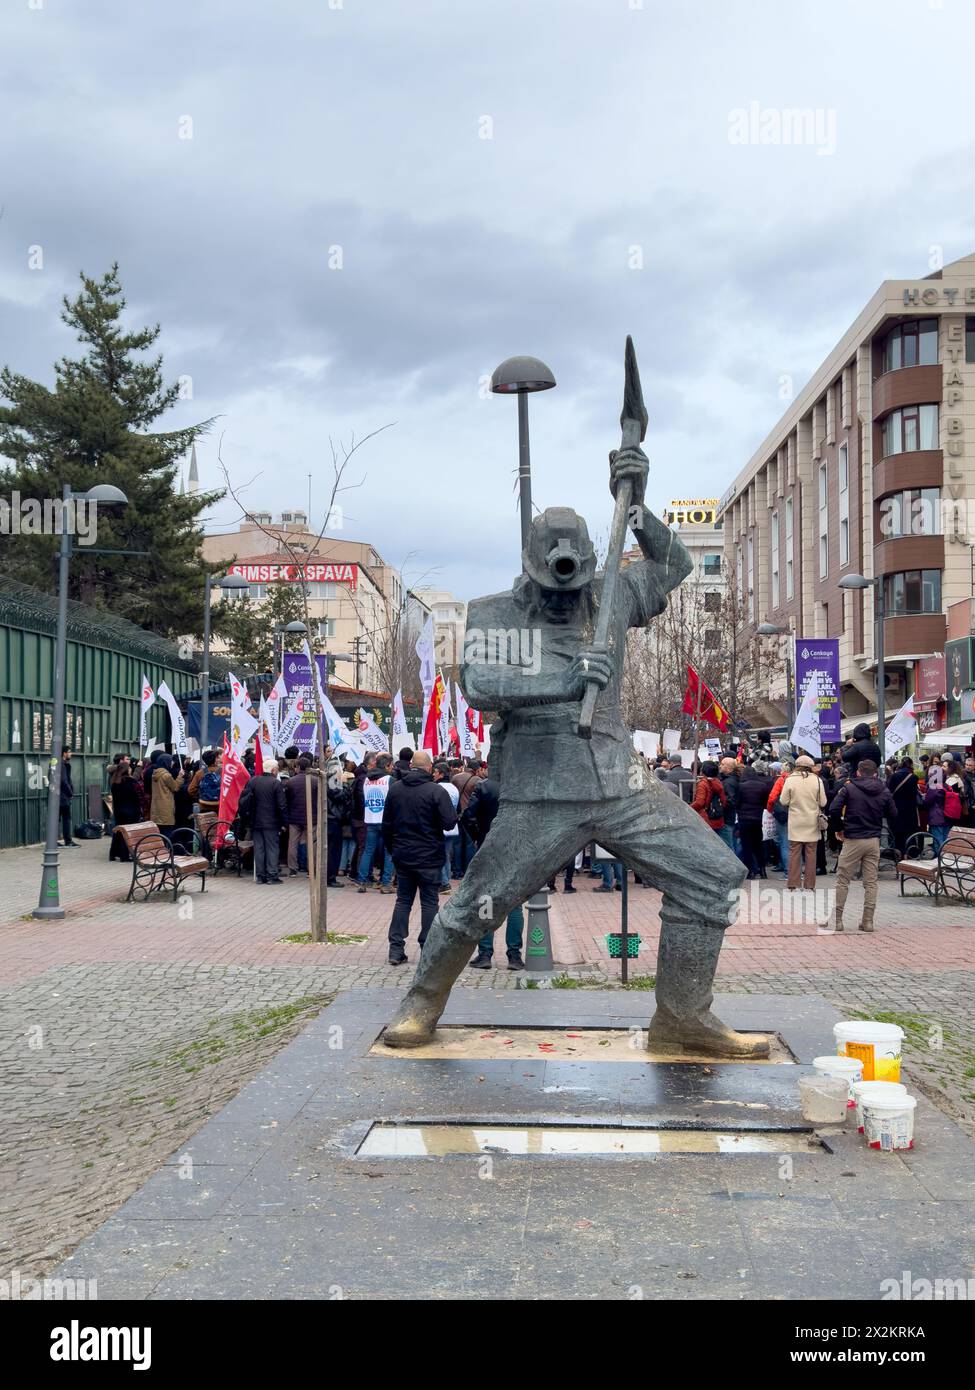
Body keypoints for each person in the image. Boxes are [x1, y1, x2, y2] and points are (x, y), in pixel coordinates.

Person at [383, 449, 766, 1060]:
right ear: (531, 570)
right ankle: (420, 1005)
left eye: (575, 576)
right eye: (554, 580)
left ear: (589, 564)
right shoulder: (493, 615)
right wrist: (560, 683)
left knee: (712, 876)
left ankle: (683, 1018)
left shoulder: (611, 594)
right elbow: (480, 685)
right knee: (477, 907)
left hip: (623, 785)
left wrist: (635, 503)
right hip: (544, 795)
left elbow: (676, 563)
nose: (567, 592)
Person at [382, 750, 457, 964]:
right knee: (429, 902)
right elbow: (449, 823)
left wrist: (393, 849)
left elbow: (386, 825)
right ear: (430, 768)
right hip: (429, 856)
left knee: (403, 901)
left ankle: (396, 949)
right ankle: (428, 947)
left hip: (403, 855)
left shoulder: (395, 790)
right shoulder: (436, 791)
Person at [461, 770, 527, 970]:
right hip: (514, 849)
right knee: (514, 904)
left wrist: (478, 837)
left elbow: (468, 816)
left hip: (487, 848)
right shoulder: (520, 786)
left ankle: (485, 953)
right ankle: (514, 955)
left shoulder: (484, 786)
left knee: (486, 901)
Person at [826, 760, 897, 932]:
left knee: (843, 880)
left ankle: (837, 920)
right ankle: (867, 921)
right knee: (871, 882)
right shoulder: (884, 790)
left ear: (858, 772)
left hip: (852, 838)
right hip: (873, 840)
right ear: (875, 774)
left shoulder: (849, 788)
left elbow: (834, 809)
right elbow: (893, 813)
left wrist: (839, 829)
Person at [779, 755, 826, 890]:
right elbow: (823, 802)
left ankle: (793, 884)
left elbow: (783, 801)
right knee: (811, 853)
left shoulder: (790, 780)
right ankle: (810, 885)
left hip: (795, 820)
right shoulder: (817, 780)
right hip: (812, 821)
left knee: (794, 852)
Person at [238, 758, 287, 883]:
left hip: (255, 821)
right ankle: (272, 875)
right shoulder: (276, 783)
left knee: (259, 849)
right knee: (272, 848)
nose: (277, 772)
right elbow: (282, 806)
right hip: (271, 822)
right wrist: (284, 822)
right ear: (273, 770)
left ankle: (260, 876)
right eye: (276, 769)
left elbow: (245, 799)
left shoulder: (253, 781)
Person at [357, 753, 394, 893]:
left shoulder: (367, 780)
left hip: (370, 819)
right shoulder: (389, 780)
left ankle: (361, 881)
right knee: (389, 852)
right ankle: (385, 884)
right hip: (386, 821)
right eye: (391, 765)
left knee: (368, 851)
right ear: (387, 765)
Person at [736, 759, 774, 879]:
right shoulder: (762, 786)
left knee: (746, 846)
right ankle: (762, 870)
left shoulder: (741, 786)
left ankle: (751, 871)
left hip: (744, 819)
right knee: (758, 845)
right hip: (757, 819)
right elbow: (765, 802)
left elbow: (737, 802)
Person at [285, 756, 317, 876]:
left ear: (297, 767)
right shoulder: (315, 781)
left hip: (294, 817)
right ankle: (311, 869)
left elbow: (287, 800)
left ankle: (293, 868)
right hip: (312, 817)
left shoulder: (290, 781)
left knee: (292, 843)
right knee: (312, 843)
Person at [432, 759, 460, 891]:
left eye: (435, 772)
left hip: (439, 825)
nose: (433, 774)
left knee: (439, 855)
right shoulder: (454, 788)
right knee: (446, 855)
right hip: (452, 826)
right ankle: (446, 880)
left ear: (441, 774)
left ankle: (443, 882)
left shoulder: (437, 788)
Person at [108, 756, 142, 862]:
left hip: (119, 811)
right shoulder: (130, 782)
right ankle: (124, 855)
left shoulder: (115, 782)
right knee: (126, 834)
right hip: (130, 812)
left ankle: (113, 854)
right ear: (126, 770)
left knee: (118, 833)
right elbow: (136, 797)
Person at [325, 758, 353, 887]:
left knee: (332, 850)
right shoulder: (332, 781)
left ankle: (330, 876)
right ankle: (330, 877)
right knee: (333, 850)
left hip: (331, 818)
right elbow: (340, 796)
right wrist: (346, 784)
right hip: (333, 819)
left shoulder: (328, 780)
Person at [887, 758, 920, 857]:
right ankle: (911, 853)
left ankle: (898, 854)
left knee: (897, 832)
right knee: (910, 832)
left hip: (896, 808)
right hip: (910, 809)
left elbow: (889, 792)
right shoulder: (914, 777)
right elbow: (914, 794)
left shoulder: (894, 777)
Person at [691, 760, 729, 846]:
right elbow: (723, 801)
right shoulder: (718, 782)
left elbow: (699, 803)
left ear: (703, 771)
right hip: (718, 819)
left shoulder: (703, 784)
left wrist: (688, 808)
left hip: (706, 819)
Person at [149, 754, 184, 842]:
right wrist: (180, 776)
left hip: (157, 808)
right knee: (167, 834)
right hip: (166, 808)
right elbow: (175, 787)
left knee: (159, 833)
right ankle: (166, 853)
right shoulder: (166, 775)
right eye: (171, 760)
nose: (172, 762)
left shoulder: (155, 773)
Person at [718, 756, 742, 859]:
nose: (720, 766)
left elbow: (731, 800)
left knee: (729, 845)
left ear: (728, 767)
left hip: (728, 817)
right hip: (733, 817)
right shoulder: (731, 779)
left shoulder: (728, 783)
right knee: (734, 843)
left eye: (722, 764)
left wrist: (720, 805)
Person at [58, 748, 76, 847]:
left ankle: (62, 840)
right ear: (64, 753)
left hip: (59, 795)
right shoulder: (62, 764)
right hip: (63, 796)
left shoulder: (58, 763)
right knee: (66, 818)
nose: (71, 754)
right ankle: (67, 840)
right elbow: (64, 781)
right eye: (69, 752)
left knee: (59, 818)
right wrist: (70, 793)